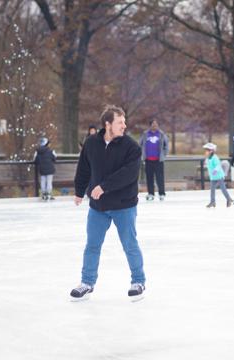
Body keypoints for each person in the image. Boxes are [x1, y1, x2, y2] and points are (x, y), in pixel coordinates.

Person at [71, 104, 146, 302]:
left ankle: (138, 281)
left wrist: (104, 187)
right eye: (120, 122)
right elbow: (84, 169)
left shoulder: (131, 147)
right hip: (98, 207)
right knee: (92, 245)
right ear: (108, 124)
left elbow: (129, 175)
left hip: (124, 205)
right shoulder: (91, 144)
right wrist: (79, 191)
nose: (124, 126)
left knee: (129, 244)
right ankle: (87, 283)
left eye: (124, 122)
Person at [138, 119, 169, 201]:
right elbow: (139, 144)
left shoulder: (161, 134)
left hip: (158, 160)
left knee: (160, 178)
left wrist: (164, 155)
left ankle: (161, 193)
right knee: (149, 177)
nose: (155, 125)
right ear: (150, 125)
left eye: (156, 124)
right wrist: (142, 155)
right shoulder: (145, 134)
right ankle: (151, 193)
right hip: (148, 160)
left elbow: (166, 145)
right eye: (153, 124)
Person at [203, 142, 232, 208]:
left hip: (219, 176)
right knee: (212, 190)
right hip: (213, 177)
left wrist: (215, 170)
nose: (205, 152)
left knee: (223, 188)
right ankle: (212, 202)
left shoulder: (215, 158)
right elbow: (209, 165)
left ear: (211, 151)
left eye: (207, 151)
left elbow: (218, 165)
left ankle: (228, 199)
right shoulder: (208, 158)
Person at [33, 137, 57, 201]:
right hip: (50, 169)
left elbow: (35, 161)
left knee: (43, 181)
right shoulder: (51, 151)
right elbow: (54, 159)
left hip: (42, 169)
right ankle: (48, 194)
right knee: (49, 182)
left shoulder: (38, 152)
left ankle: (43, 194)